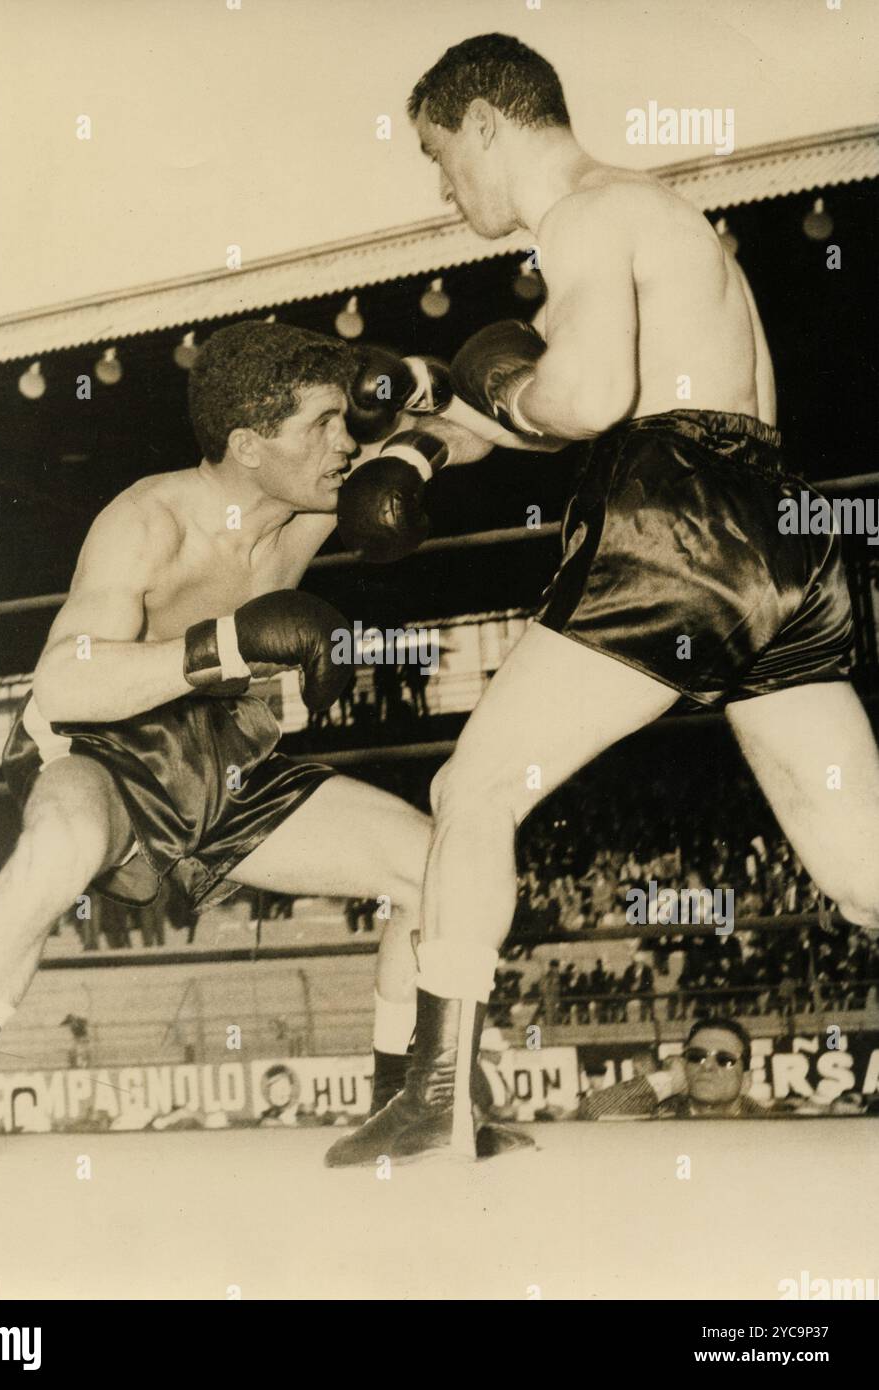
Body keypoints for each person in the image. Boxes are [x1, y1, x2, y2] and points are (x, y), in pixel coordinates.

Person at [326, 33, 878, 1166]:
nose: (441, 186)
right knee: (864, 874)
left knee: (468, 788)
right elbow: (551, 395)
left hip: (672, 523)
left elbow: (580, 397)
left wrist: (503, 385)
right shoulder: (659, 220)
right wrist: (425, 445)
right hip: (780, 540)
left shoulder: (580, 212)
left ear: (484, 122)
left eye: (440, 155)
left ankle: (438, 1095)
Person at [0, 320, 443, 1176]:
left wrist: (420, 407)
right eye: (323, 426)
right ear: (248, 445)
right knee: (62, 845)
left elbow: (477, 425)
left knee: (432, 866)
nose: (345, 443)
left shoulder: (310, 504)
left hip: (222, 755)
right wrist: (224, 645)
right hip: (100, 749)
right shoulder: (146, 522)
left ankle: (398, 1103)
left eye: (346, 419)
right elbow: (65, 683)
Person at [578, 1018, 771, 1119]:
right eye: (697, 1056)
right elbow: (592, 1112)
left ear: (746, 1081)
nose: (708, 1066)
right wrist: (670, 1080)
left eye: (724, 1059)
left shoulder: (770, 1126)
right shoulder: (660, 1114)